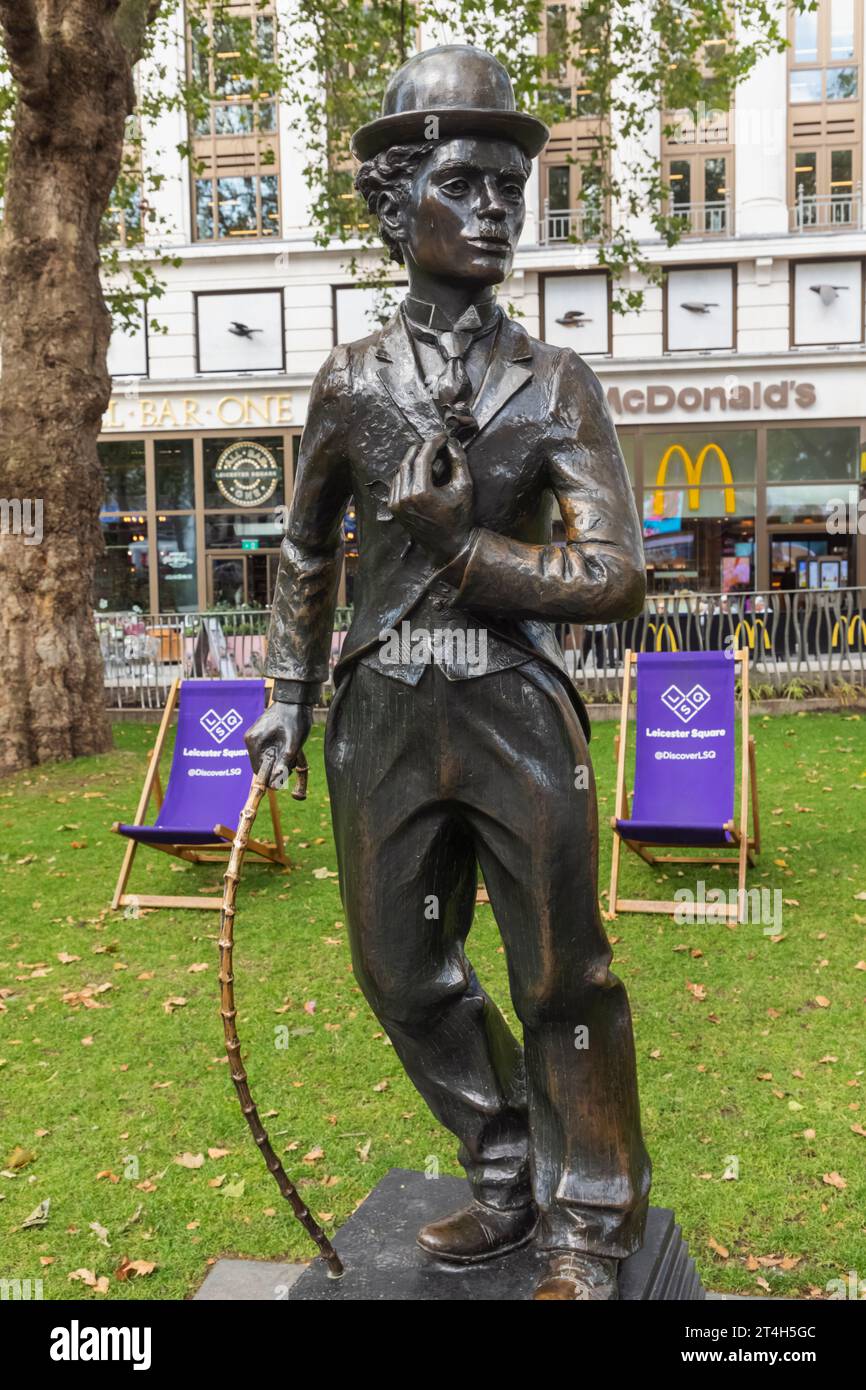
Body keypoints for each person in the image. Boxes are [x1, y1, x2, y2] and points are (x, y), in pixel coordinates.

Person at [245, 44, 651, 1300]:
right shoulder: (348, 382)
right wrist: (285, 701)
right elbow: (306, 547)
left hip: (514, 712)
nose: (495, 213)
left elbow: (613, 576)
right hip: (382, 716)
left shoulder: (558, 384)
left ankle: (593, 1208)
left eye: (509, 192)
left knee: (560, 970)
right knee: (398, 965)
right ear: (391, 208)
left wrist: (461, 546)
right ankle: (502, 1165)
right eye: (467, 186)